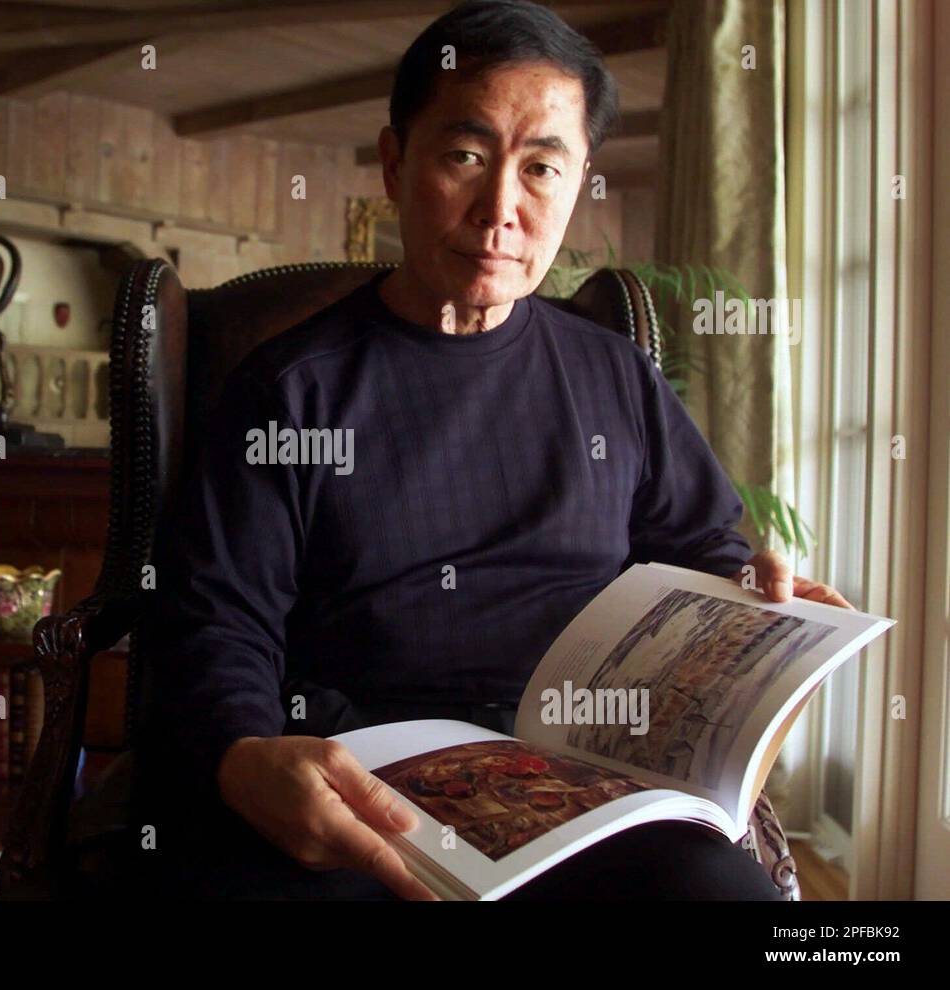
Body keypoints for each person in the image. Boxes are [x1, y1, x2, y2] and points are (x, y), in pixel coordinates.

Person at [124, 0, 854, 901]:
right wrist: (246, 758)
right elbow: (217, 623)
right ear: (396, 166)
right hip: (367, 785)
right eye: (464, 156)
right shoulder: (292, 390)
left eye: (542, 167)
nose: (500, 209)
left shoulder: (613, 376)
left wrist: (763, 617)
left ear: (579, 179)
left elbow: (707, 558)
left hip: (588, 786)